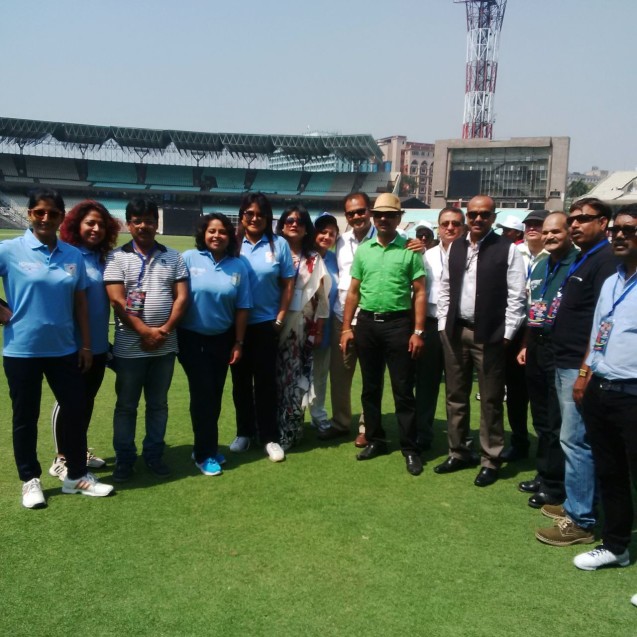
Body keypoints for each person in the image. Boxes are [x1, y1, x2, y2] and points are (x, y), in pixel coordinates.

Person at [0, 189, 114, 507]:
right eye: (39, 212)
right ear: (30, 214)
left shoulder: (72, 255)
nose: (45, 218)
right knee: (26, 416)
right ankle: (30, 480)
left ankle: (75, 476)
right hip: (22, 350)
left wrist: (87, 345)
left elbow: (80, 302)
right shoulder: (11, 250)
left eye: (52, 213)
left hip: (65, 349)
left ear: (62, 217)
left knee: (76, 411)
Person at [535, 197, 617, 545]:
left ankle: (580, 519)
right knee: (573, 438)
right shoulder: (585, 257)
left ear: (604, 223)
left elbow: (604, 321)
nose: (576, 225)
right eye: (573, 219)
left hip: (577, 365)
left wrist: (586, 369)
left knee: (576, 440)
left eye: (585, 219)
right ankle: (575, 503)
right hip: (563, 358)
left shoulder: (606, 261)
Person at [435, 194, 526, 487]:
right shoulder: (456, 247)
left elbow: (516, 297)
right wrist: (442, 325)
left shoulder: (507, 249)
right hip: (455, 331)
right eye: (473, 214)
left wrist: (507, 335)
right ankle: (459, 451)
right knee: (455, 395)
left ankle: (490, 458)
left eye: (483, 215)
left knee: (490, 399)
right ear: (467, 215)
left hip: (490, 335)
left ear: (493, 217)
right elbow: (446, 288)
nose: (477, 219)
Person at [340, 193, 426, 476]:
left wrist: (417, 330)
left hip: (399, 324)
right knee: (371, 387)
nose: (384, 219)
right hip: (367, 324)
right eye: (380, 215)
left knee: (403, 390)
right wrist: (346, 327)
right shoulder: (364, 251)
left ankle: (410, 448)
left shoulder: (410, 250)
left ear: (399, 218)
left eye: (390, 215)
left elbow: (420, 292)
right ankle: (376, 439)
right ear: (374, 219)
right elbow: (353, 291)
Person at [104, 197, 189, 482]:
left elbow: (182, 298)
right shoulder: (116, 257)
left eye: (150, 220)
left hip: (165, 347)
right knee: (126, 406)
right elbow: (116, 300)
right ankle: (125, 459)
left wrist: (162, 331)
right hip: (130, 349)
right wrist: (144, 331)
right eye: (137, 220)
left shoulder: (173, 257)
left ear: (157, 223)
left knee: (158, 405)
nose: (144, 225)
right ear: (129, 224)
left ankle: (154, 454)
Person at [572, 205, 637, 571]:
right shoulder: (613, 280)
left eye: (630, 229)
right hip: (602, 388)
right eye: (617, 229)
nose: (621, 235)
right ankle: (616, 546)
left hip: (634, 393)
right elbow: (599, 333)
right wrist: (584, 374)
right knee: (610, 472)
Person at [48, 200, 120, 480]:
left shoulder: (105, 258)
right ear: (76, 224)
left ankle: (78, 452)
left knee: (86, 401)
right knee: (68, 403)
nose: (96, 228)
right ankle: (61, 457)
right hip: (72, 345)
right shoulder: (67, 255)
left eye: (101, 224)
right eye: (90, 222)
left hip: (99, 345)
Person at [178, 213, 251, 476]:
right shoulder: (188, 258)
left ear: (229, 236)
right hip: (191, 338)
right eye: (211, 231)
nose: (216, 236)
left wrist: (238, 342)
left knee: (215, 395)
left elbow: (243, 308)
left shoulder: (238, 266)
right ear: (203, 234)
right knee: (203, 396)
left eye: (222, 231)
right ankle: (203, 454)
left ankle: (206, 446)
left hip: (223, 339)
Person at [516, 212, 577, 508]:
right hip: (537, 345)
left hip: (562, 348)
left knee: (556, 419)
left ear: (569, 232)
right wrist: (527, 344)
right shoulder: (540, 263)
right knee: (540, 416)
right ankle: (544, 473)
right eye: (546, 232)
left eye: (556, 231)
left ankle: (556, 485)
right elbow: (534, 308)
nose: (550, 236)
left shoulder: (578, 262)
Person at [230, 193, 294, 462]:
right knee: (240, 382)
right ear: (242, 216)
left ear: (268, 218)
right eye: (249, 213)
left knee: (266, 384)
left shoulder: (278, 244)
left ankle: (269, 437)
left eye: (260, 214)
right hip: (235, 328)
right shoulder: (232, 244)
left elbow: (288, 284)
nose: (255, 218)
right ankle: (244, 432)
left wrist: (279, 318)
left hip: (267, 325)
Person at [316, 192, 375, 445]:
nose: (356, 216)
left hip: (373, 318)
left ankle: (367, 426)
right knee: (340, 376)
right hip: (343, 318)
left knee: (371, 376)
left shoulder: (389, 238)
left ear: (369, 210)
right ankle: (341, 423)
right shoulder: (341, 241)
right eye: (351, 213)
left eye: (360, 211)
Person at [275, 205, 330, 449]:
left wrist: (317, 329)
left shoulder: (313, 258)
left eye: (299, 221)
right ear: (282, 224)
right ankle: (268, 429)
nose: (293, 224)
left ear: (306, 227)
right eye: (289, 220)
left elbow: (321, 297)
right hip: (273, 324)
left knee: (296, 379)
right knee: (272, 378)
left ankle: (291, 430)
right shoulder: (272, 253)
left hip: (302, 329)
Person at [414, 206, 465, 450]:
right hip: (432, 323)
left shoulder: (472, 254)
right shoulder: (427, 255)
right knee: (426, 382)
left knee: (458, 385)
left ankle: (460, 438)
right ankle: (423, 432)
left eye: (455, 223)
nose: (450, 228)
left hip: (459, 325)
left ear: (463, 227)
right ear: (439, 227)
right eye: (445, 224)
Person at [309, 213, 339, 433]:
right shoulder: (302, 255)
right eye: (322, 232)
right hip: (300, 325)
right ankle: (293, 415)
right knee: (297, 372)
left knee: (320, 373)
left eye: (331, 233)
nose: (327, 236)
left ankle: (318, 414)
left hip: (326, 327)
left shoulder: (334, 260)